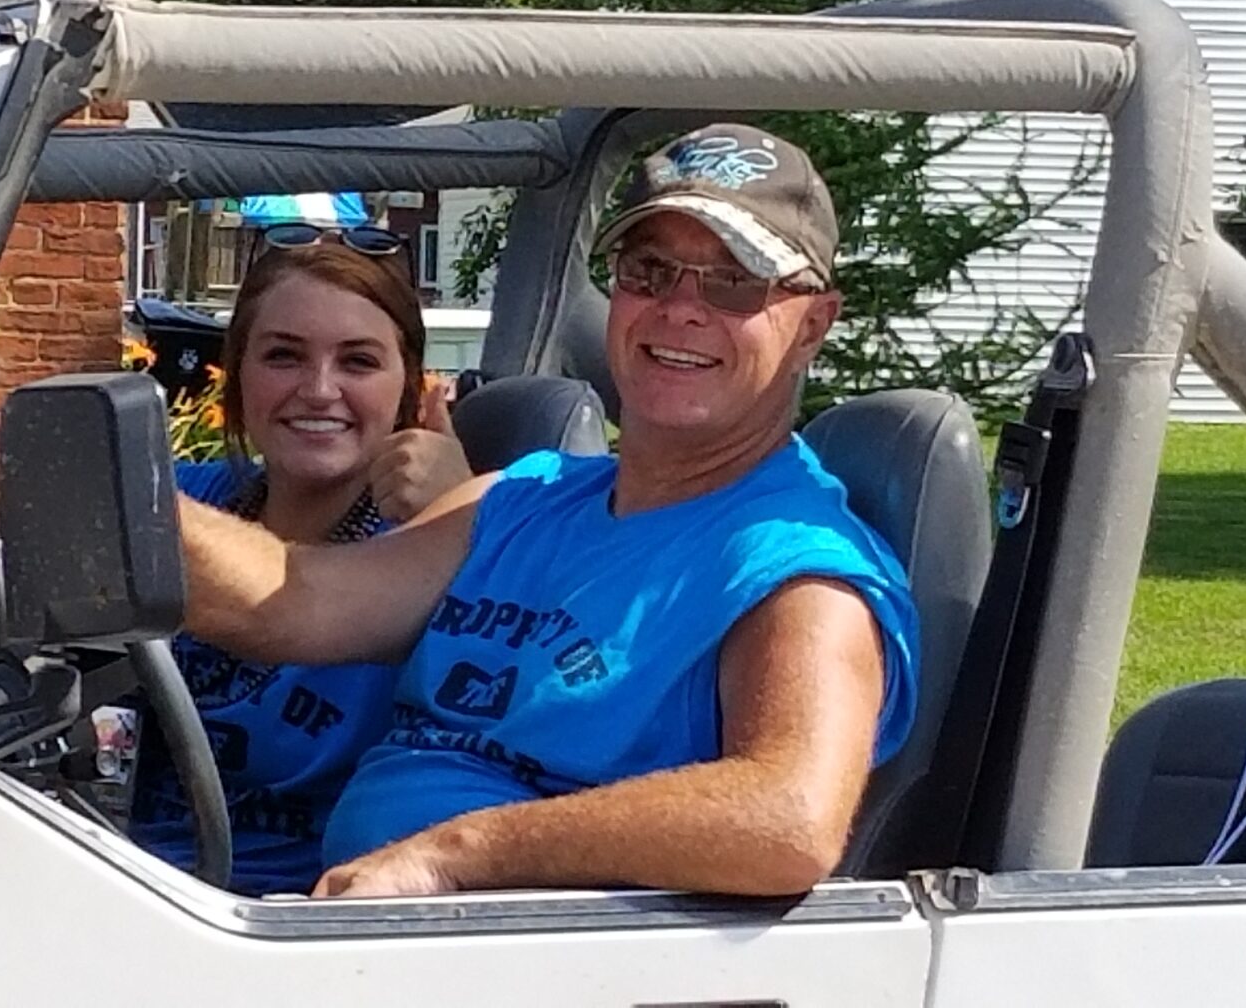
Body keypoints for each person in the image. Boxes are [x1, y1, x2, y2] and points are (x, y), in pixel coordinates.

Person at [173, 124, 922, 901]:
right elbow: (296, 601)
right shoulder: (523, 495)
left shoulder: (802, 574)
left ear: (812, 325)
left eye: (734, 282)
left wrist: (453, 853)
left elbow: (788, 819)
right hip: (355, 937)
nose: (680, 309)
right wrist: (104, 496)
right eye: (651, 270)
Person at [0, 235, 473, 895]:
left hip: (289, 911)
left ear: (412, 389)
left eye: (359, 362)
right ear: (239, 374)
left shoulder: (436, 541)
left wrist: (462, 504)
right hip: (113, 869)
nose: (319, 389)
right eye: (283, 355)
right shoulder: (202, 498)